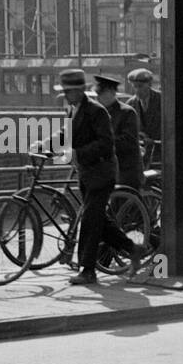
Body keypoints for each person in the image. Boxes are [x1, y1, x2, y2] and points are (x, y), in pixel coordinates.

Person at [60, 69, 144, 285]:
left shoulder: (96, 111)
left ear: (79, 90)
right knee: (100, 220)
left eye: (69, 91)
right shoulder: (73, 110)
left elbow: (106, 144)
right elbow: (65, 135)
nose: (66, 95)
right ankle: (132, 249)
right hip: (86, 173)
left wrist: (80, 152)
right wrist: (43, 145)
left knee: (89, 220)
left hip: (102, 173)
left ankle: (87, 270)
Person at [96, 74, 144, 190]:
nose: (98, 98)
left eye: (101, 93)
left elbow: (128, 141)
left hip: (126, 169)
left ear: (112, 93)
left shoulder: (127, 112)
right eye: (98, 94)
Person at [125, 68, 162, 168]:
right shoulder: (130, 104)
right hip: (141, 156)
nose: (137, 90)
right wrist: (139, 135)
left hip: (161, 154)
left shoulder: (162, 100)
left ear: (149, 84)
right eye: (135, 87)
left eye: (140, 86)